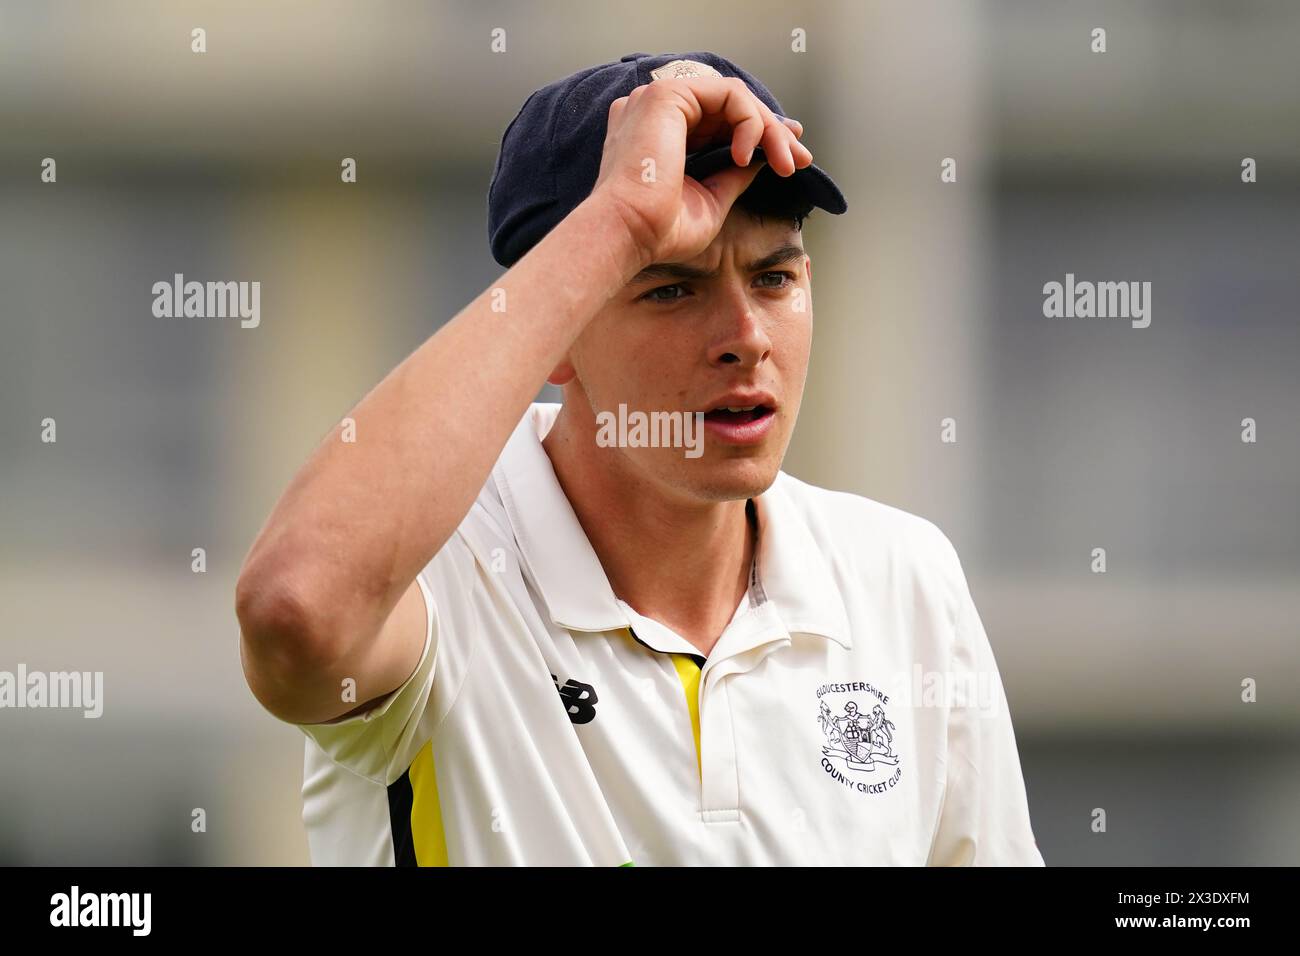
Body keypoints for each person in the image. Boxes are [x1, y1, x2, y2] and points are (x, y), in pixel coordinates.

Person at [235, 51, 1045, 866]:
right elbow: (294, 611)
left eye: (773, 277)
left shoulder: (903, 578)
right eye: (670, 288)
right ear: (556, 330)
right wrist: (620, 219)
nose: (747, 340)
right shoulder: (441, 573)